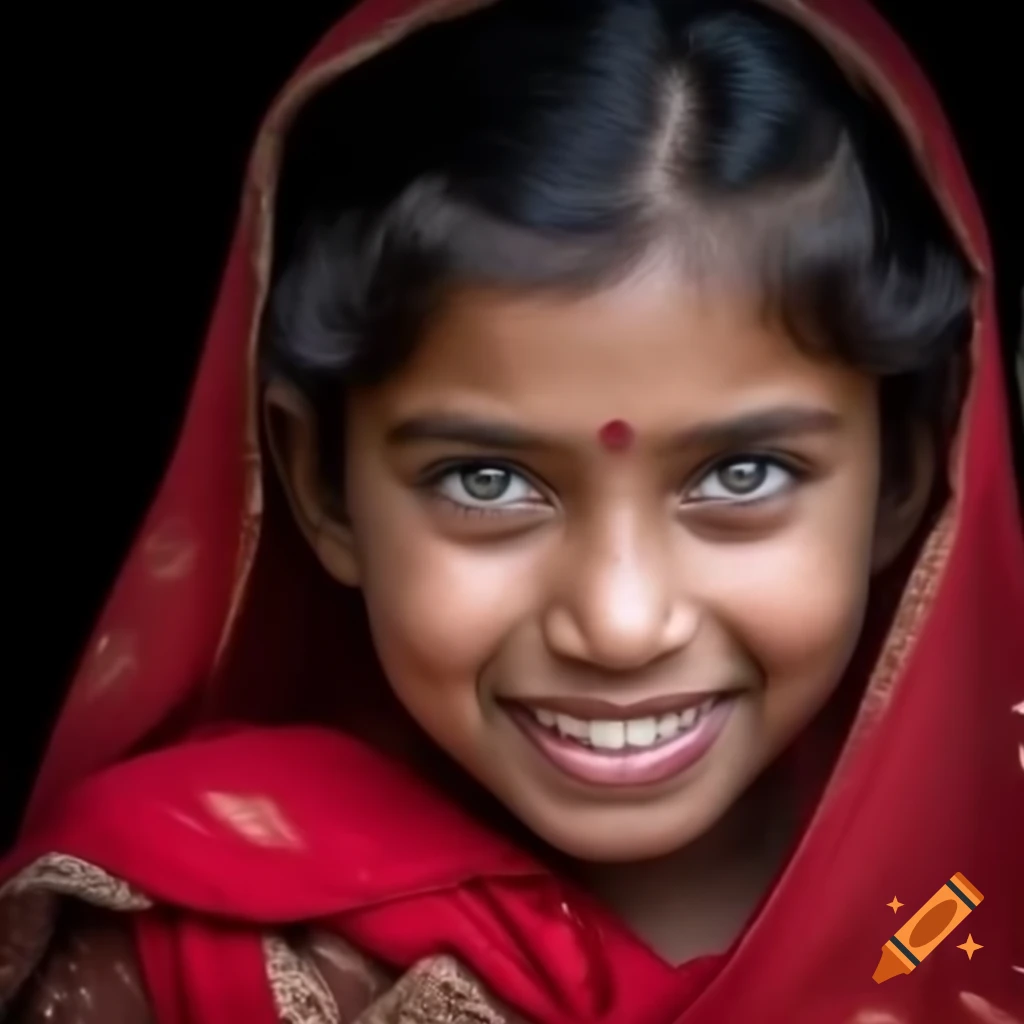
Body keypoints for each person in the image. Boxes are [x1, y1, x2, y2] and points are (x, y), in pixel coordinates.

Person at [2, 0, 1021, 1021]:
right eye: (486, 481)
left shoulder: (973, 904)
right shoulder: (181, 957)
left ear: (901, 477)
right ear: (322, 484)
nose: (619, 626)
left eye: (743, 474)